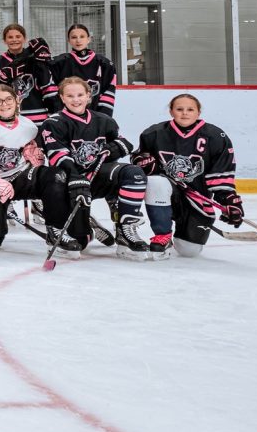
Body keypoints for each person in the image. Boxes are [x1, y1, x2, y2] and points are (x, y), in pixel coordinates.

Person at [40, 77, 149, 259]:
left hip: (98, 176)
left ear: (88, 96)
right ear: (62, 98)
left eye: (80, 95)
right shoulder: (53, 123)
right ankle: (88, 227)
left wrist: (115, 147)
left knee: (133, 173)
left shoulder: (103, 120)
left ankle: (125, 229)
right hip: (71, 182)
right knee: (78, 243)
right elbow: (57, 155)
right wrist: (75, 176)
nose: (76, 100)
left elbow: (122, 142)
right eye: (70, 96)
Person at [0, 82, 67, 255]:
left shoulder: (29, 126)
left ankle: (55, 228)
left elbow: (32, 155)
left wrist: (34, 157)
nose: (5, 104)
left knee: (55, 176)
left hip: (19, 177)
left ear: (17, 101)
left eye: (9, 99)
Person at [135, 93, 241, 260]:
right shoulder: (154, 133)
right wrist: (144, 163)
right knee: (155, 182)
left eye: (190, 109)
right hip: (169, 193)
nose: (185, 113)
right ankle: (162, 234)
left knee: (189, 251)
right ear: (171, 111)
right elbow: (139, 158)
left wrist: (229, 200)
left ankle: (184, 232)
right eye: (179, 109)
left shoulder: (215, 136)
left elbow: (220, 173)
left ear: (198, 112)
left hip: (197, 199)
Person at [0, 23, 55, 123]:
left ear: (24, 38)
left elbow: (48, 87)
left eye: (18, 36)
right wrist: (0, 80)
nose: (14, 40)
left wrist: (44, 63)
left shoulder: (35, 61)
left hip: (37, 116)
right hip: (7, 118)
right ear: (5, 40)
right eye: (10, 37)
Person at [49, 23, 117, 117]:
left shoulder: (105, 64)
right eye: (74, 37)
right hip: (66, 119)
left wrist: (102, 119)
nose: (78, 40)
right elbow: (53, 93)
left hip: (95, 119)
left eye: (82, 36)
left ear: (89, 39)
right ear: (68, 40)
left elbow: (108, 93)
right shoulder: (58, 63)